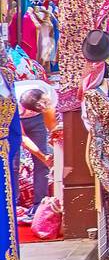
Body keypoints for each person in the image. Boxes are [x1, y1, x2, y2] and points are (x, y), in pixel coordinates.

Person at [17, 86, 57, 224]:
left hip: (37, 121)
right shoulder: (13, 101)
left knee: (42, 166)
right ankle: (15, 206)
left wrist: (55, 139)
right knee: (13, 165)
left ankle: (39, 204)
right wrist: (42, 156)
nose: (43, 105)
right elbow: (22, 138)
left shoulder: (47, 94)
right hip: (15, 119)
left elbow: (52, 125)